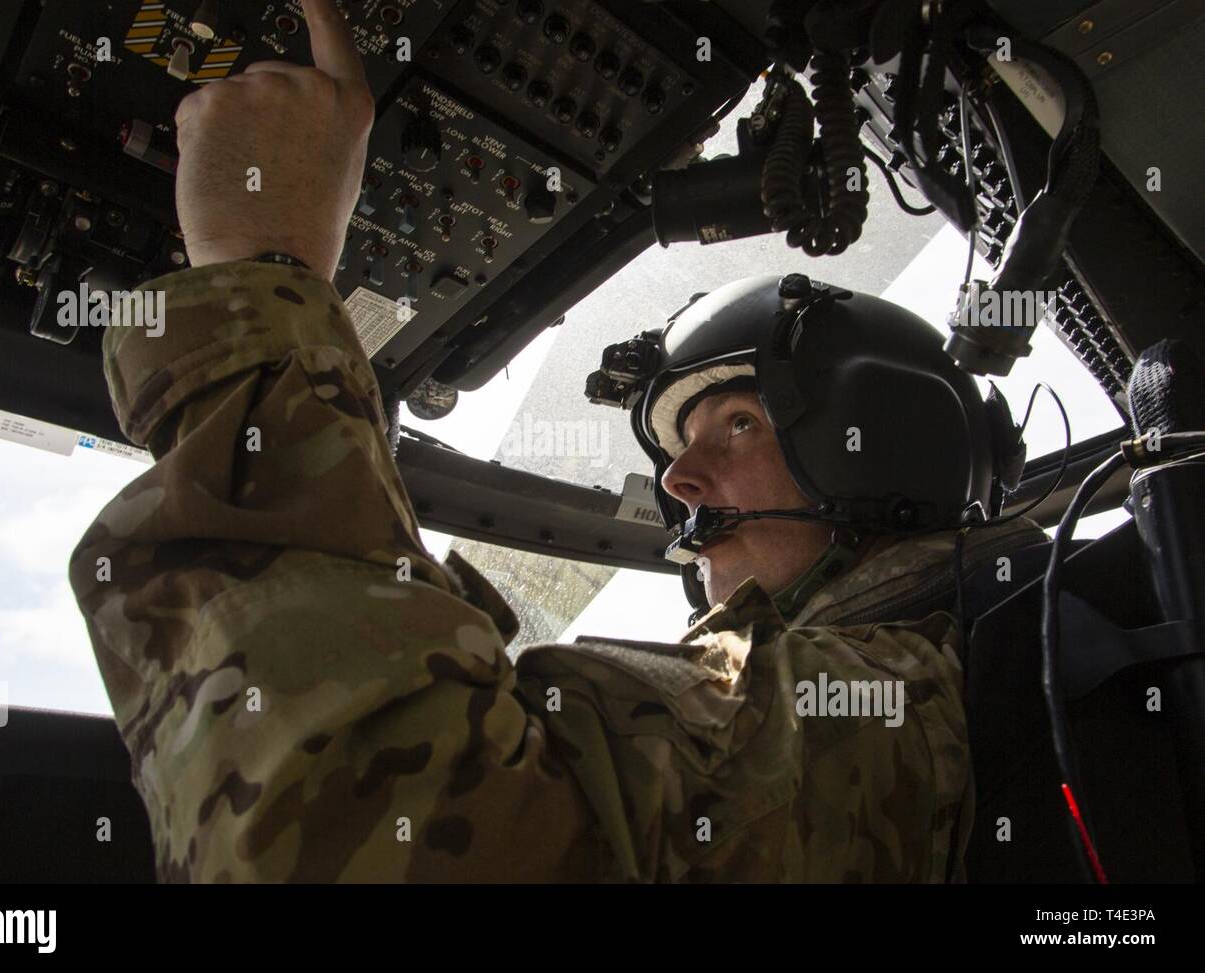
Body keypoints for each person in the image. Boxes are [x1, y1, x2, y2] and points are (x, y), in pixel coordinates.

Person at [69, 0, 1045, 881]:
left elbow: (359, 821)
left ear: (883, 437)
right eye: (679, 445)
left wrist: (258, 267)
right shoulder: (917, 689)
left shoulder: (898, 698)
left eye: (737, 422)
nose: (679, 477)